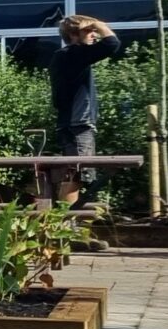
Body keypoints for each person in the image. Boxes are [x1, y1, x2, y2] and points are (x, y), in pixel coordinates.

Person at [51, 13, 126, 205]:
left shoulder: (66, 57)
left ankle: (62, 224)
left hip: (73, 124)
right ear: (74, 35)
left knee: (74, 175)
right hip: (78, 125)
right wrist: (98, 23)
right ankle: (62, 225)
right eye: (89, 31)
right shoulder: (72, 54)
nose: (94, 35)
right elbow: (111, 43)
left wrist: (90, 25)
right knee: (76, 175)